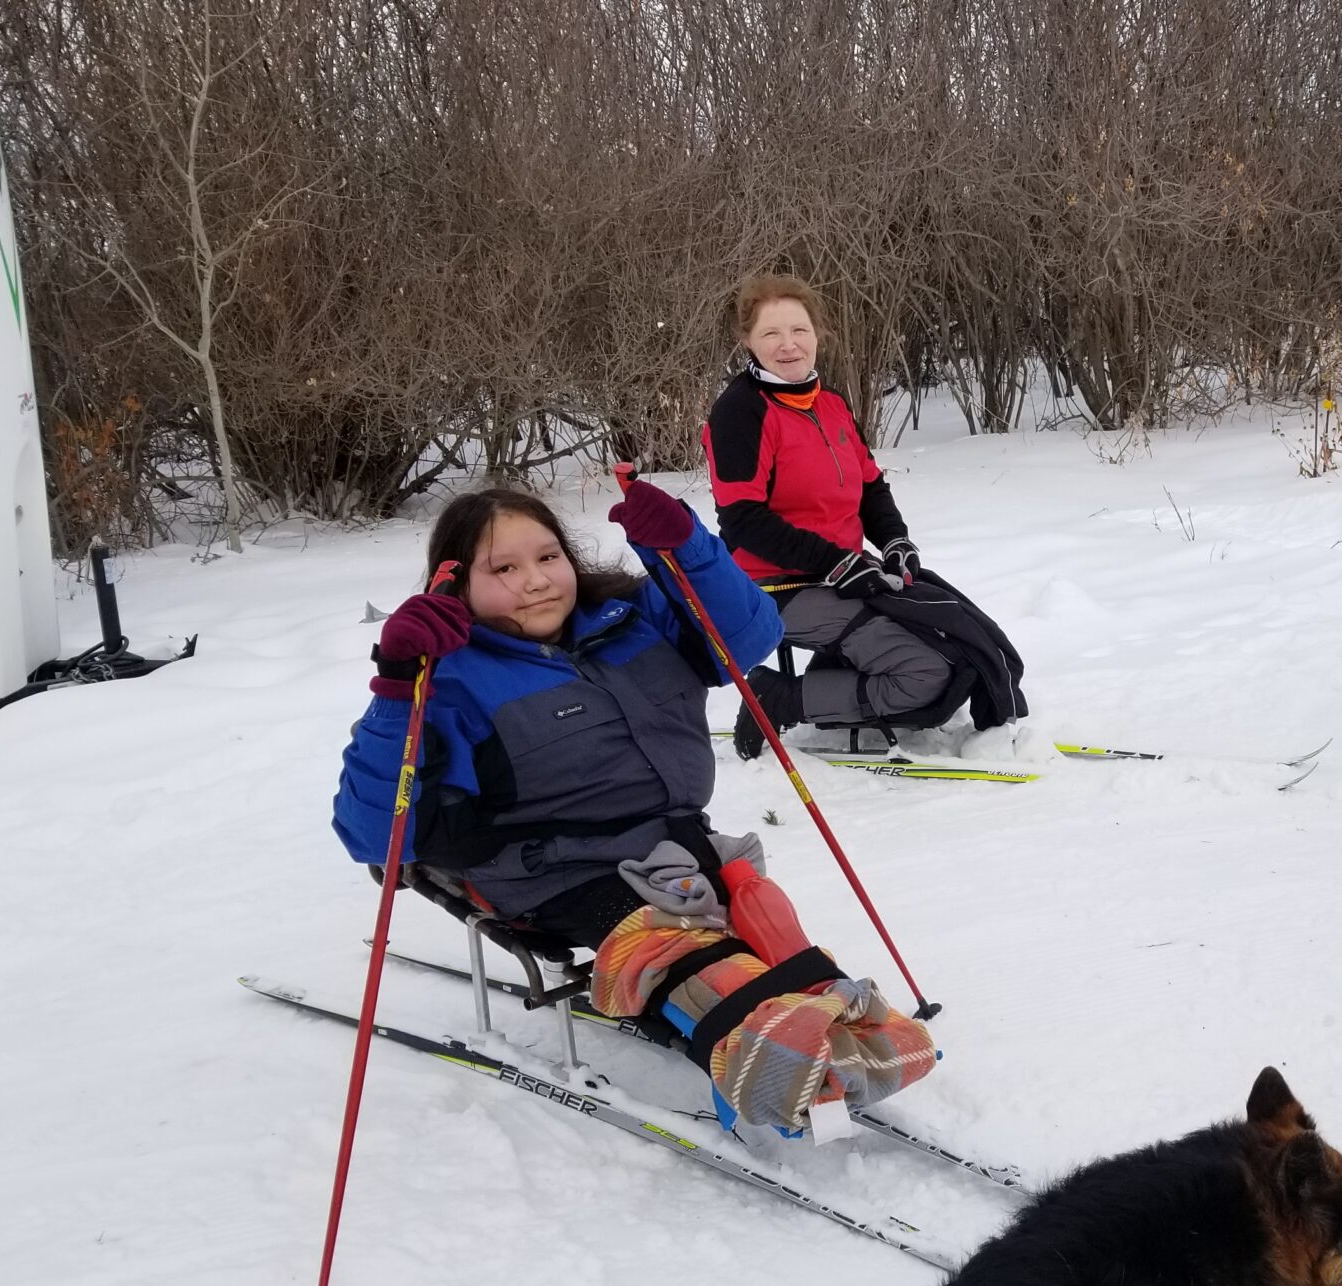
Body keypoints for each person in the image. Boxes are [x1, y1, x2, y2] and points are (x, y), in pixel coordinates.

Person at [332, 482, 936, 1131]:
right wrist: (398, 686)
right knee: (667, 945)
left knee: (761, 916)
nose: (535, 581)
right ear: (457, 586)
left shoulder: (631, 619)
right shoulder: (447, 677)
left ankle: (834, 1024)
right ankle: (768, 1059)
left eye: (547, 557)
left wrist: (687, 547)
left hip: (677, 843)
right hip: (559, 872)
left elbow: (751, 636)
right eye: (503, 568)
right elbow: (374, 835)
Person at [704, 274, 1025, 756]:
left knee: (965, 640)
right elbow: (742, 519)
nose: (788, 345)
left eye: (799, 330)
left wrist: (894, 541)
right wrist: (834, 561)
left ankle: (838, 677)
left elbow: (869, 486)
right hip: (773, 588)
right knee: (927, 675)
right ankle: (779, 699)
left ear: (818, 333)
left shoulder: (828, 403)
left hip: (844, 574)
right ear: (747, 341)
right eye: (771, 334)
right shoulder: (740, 412)